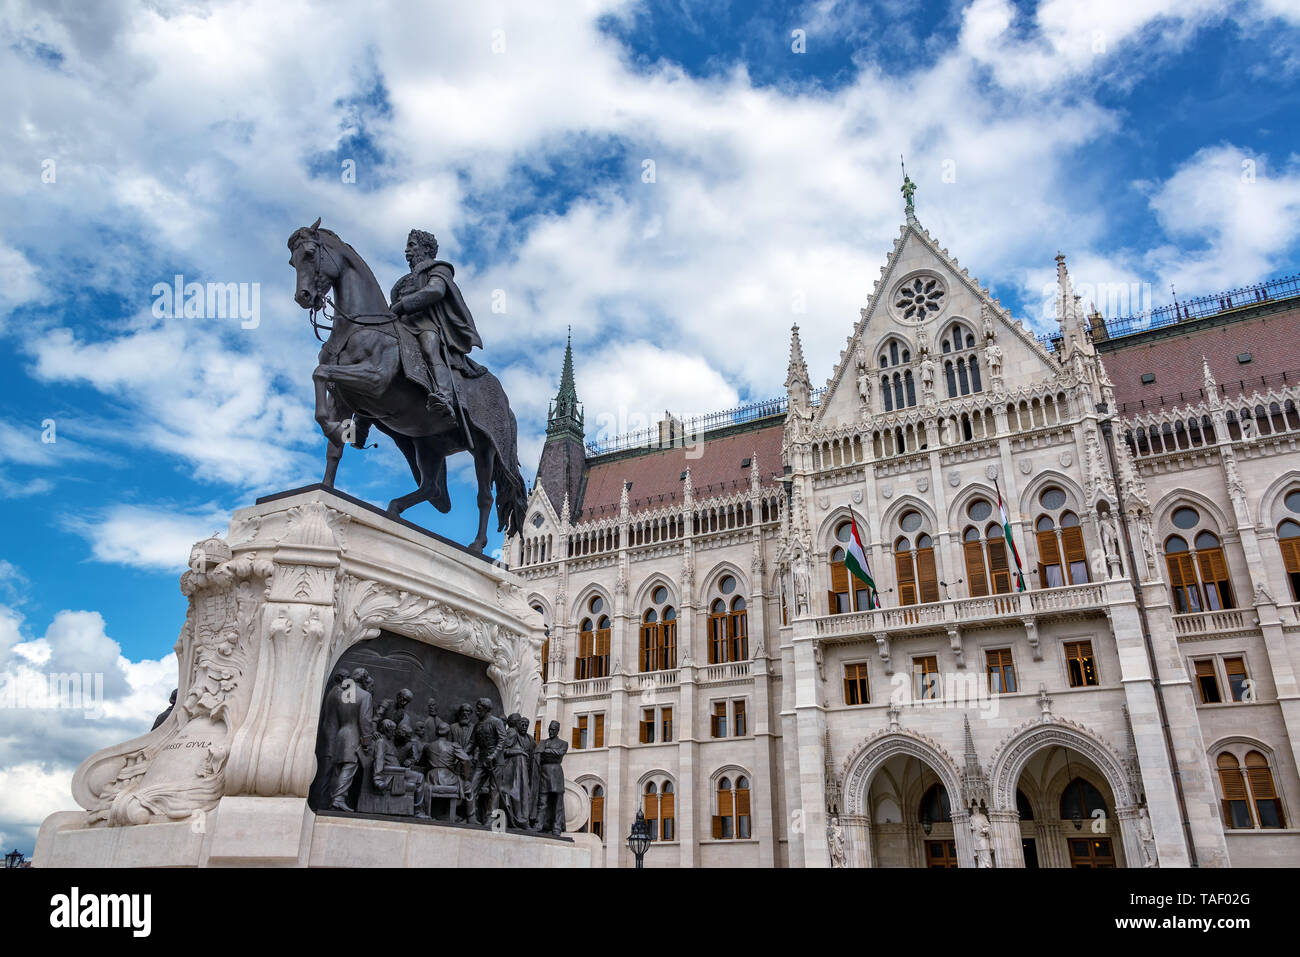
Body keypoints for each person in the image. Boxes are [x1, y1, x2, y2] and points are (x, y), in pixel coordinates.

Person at [389, 228, 483, 418]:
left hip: (426, 323)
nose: (406, 250)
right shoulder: (404, 280)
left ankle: (445, 397)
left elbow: (435, 291)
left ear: (425, 249)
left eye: (411, 245)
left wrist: (402, 306)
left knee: (429, 346)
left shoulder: (439, 268)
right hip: (400, 323)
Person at [328, 668, 375, 811]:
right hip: (353, 737)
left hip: (340, 735)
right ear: (364, 678)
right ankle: (338, 799)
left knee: (338, 770)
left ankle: (334, 798)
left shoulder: (341, 695)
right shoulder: (365, 695)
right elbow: (365, 721)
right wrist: (366, 742)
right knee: (349, 768)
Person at [534, 720, 569, 834]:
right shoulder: (542, 742)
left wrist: (546, 752)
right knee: (542, 801)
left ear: (558, 730)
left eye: (553, 729)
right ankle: (539, 824)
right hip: (544, 773)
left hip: (556, 773)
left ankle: (557, 827)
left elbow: (560, 754)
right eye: (550, 729)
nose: (551, 731)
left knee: (558, 802)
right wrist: (550, 753)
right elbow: (537, 754)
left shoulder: (563, 743)